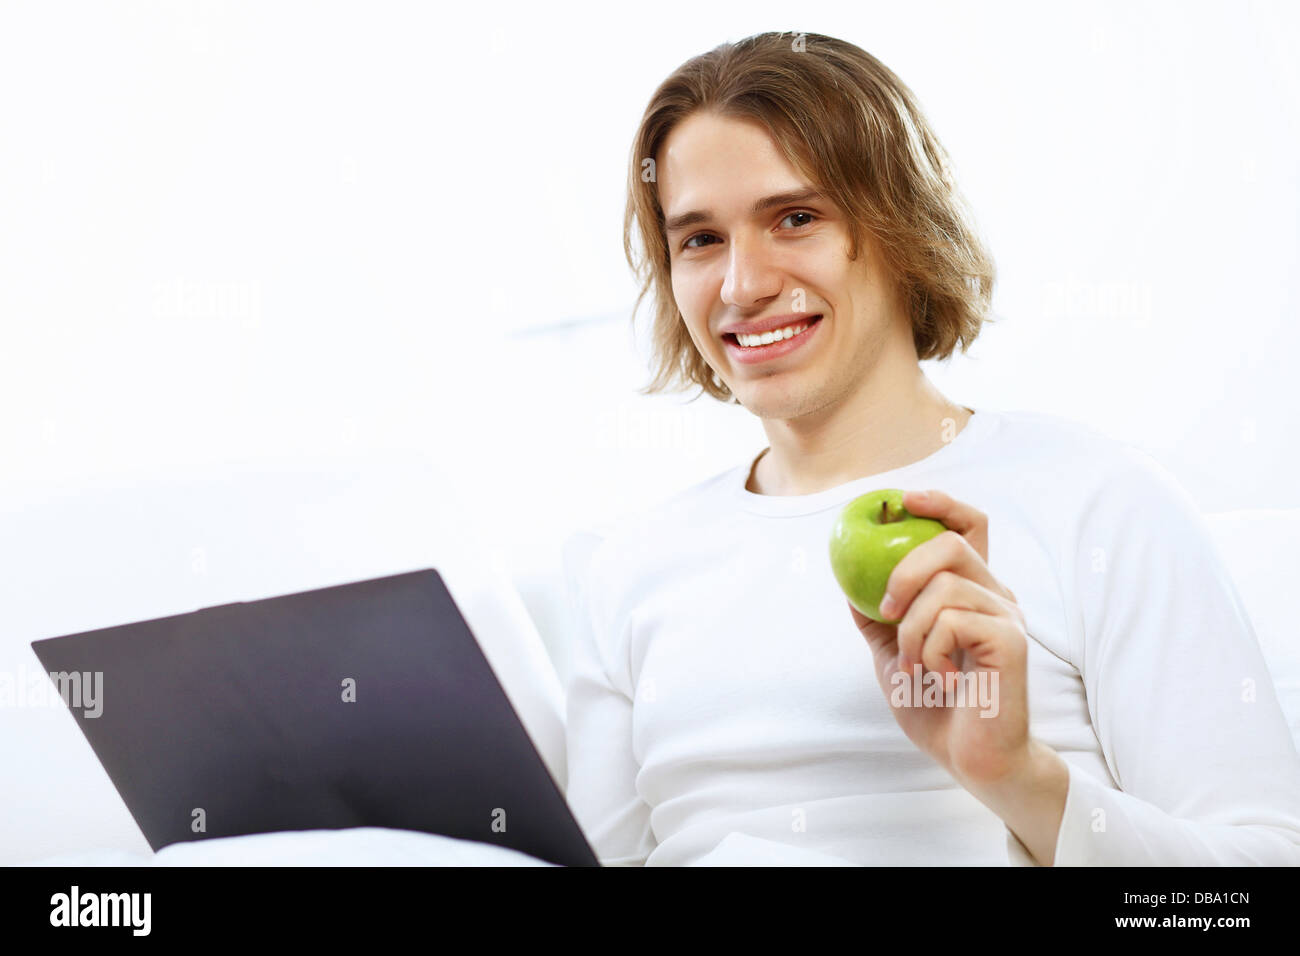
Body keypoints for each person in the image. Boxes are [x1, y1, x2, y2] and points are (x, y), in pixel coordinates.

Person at [562, 31, 1300, 866]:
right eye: (699, 239)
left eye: (795, 218)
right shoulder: (628, 570)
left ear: (902, 229)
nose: (742, 284)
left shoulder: (1099, 502)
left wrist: (1018, 775)